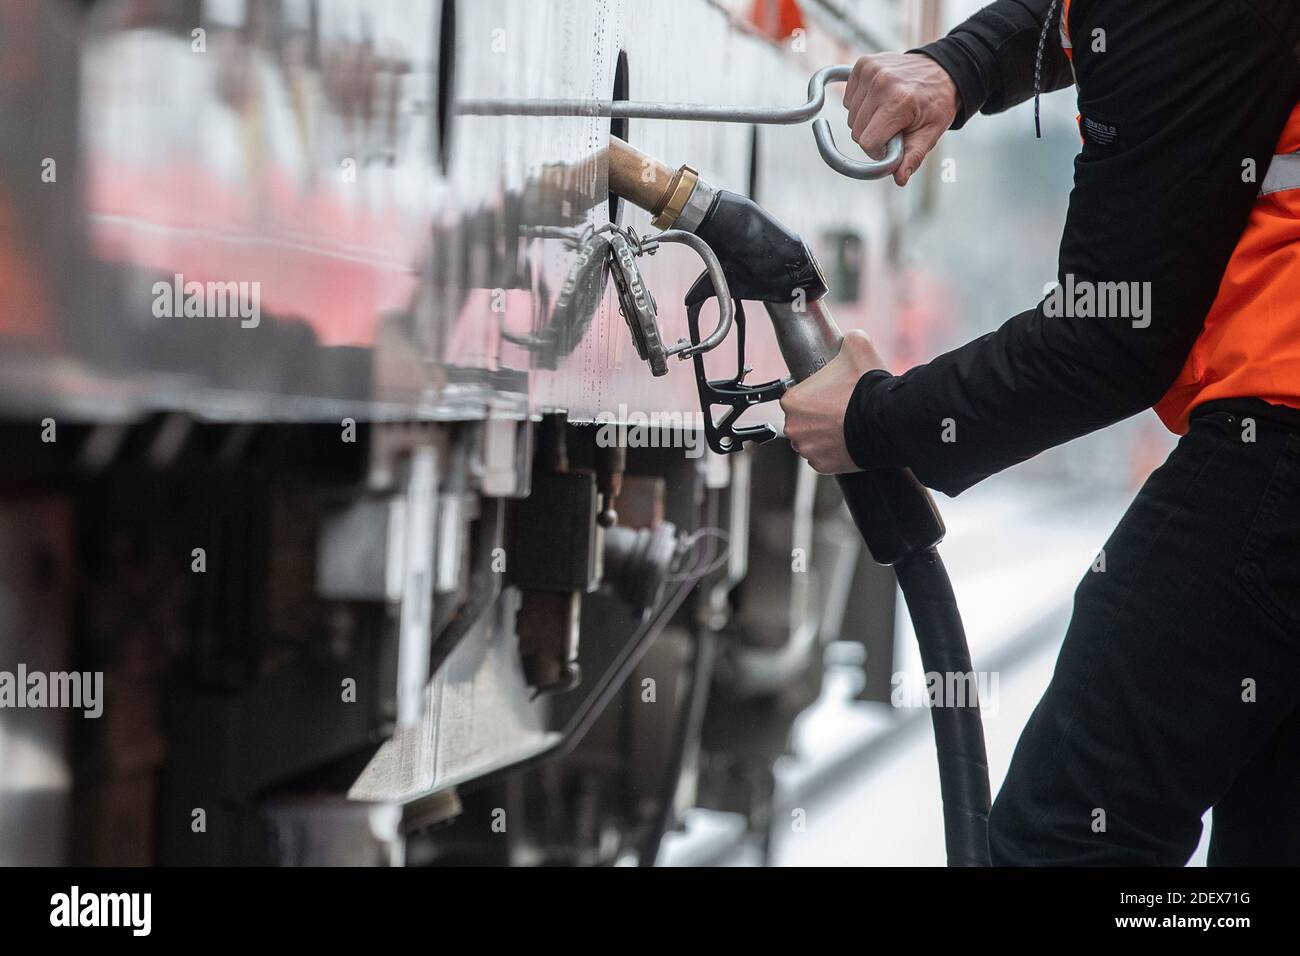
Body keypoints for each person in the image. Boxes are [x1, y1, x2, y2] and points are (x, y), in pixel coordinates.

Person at [780, 0, 1300, 865]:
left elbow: (1109, 334)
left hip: (1281, 437)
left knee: (1072, 834)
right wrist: (965, 63)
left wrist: (870, 419)